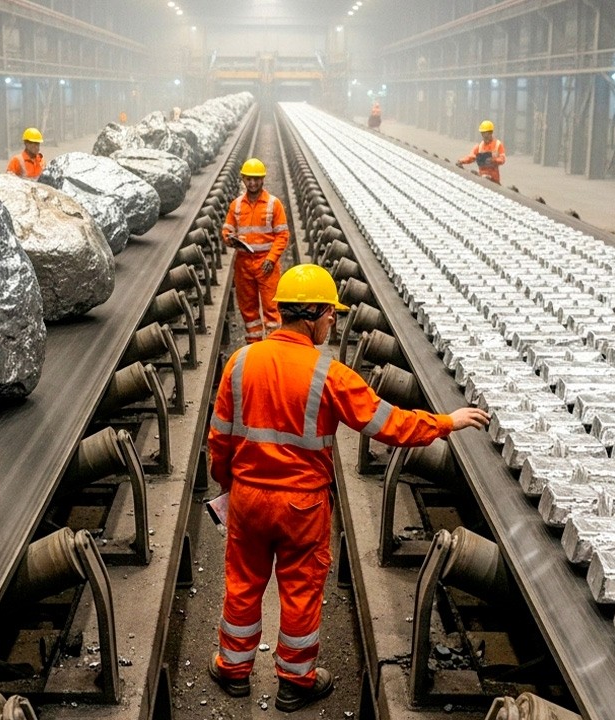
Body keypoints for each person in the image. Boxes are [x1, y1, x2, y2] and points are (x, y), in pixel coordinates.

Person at [206, 264, 489, 712]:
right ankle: (295, 682)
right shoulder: (329, 375)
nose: (333, 320)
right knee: (299, 590)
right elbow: (389, 424)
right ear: (313, 313)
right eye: (330, 314)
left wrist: (230, 487)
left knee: (242, 584)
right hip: (302, 505)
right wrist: (445, 422)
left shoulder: (241, 363)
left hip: (248, 499)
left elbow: (219, 439)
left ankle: (233, 669)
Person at [223, 158, 290, 343]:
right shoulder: (236, 205)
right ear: (243, 179)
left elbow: (282, 235)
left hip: (266, 264)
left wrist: (271, 259)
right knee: (248, 308)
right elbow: (227, 228)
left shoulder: (273, 204)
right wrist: (228, 237)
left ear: (263, 179)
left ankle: (274, 345)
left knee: (272, 308)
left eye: (256, 179)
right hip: (244, 263)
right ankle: (254, 345)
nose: (252, 183)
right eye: (248, 179)